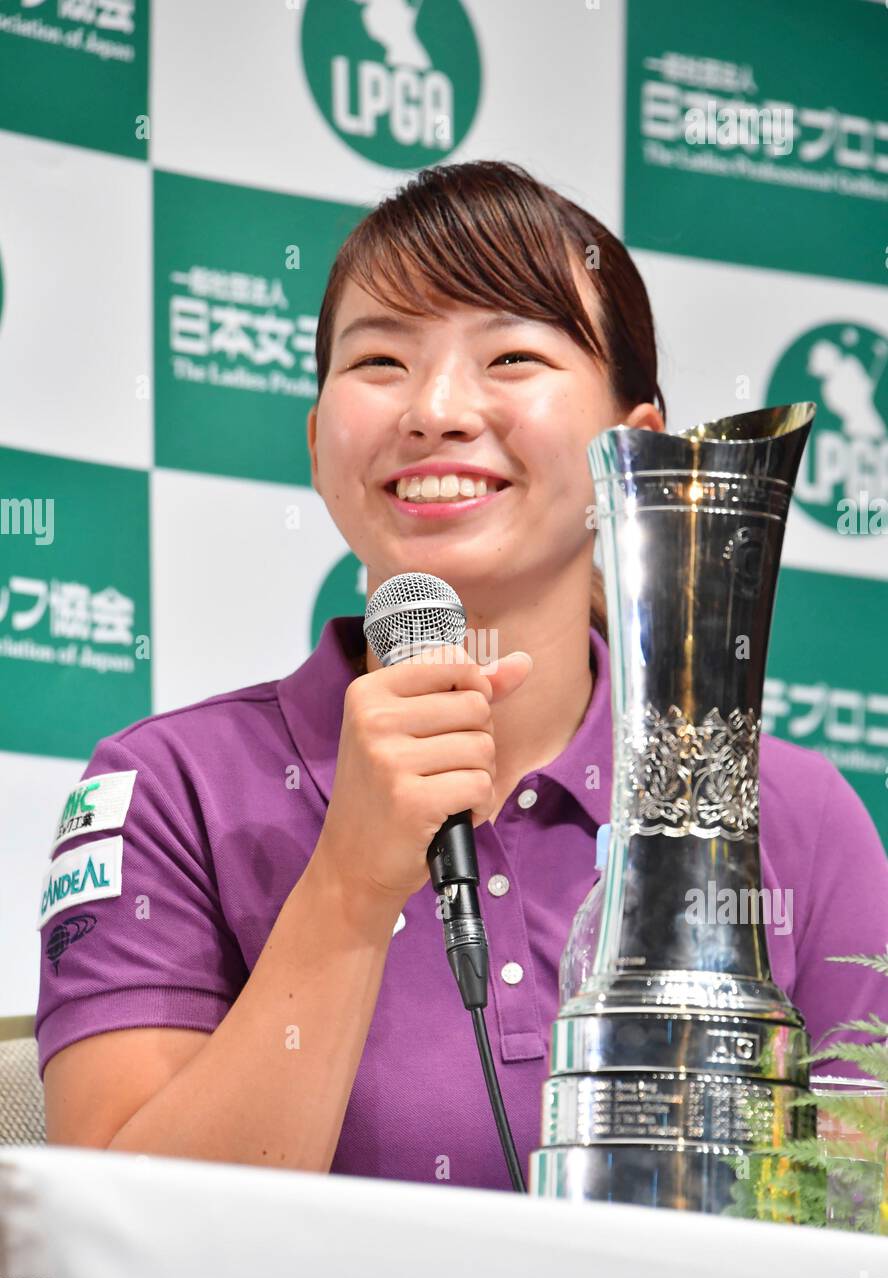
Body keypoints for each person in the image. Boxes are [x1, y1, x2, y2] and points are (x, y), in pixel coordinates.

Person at [37, 160, 888, 1192]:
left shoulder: (795, 811)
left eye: (513, 354)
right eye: (381, 360)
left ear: (637, 447)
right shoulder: (167, 787)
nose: (435, 409)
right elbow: (120, 1252)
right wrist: (349, 887)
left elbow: (856, 1227)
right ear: (316, 443)